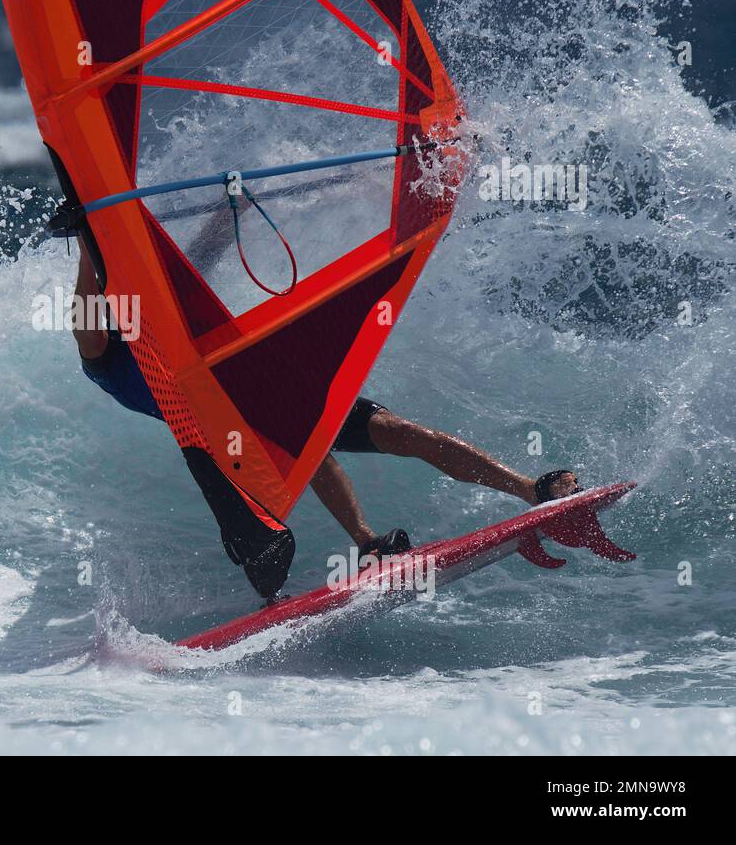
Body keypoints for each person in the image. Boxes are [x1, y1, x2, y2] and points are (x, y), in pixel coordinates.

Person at [71, 249, 580, 600]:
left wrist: (233, 210)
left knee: (402, 433)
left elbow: (190, 265)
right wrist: (90, 246)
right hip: (225, 436)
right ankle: (357, 548)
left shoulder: (157, 315)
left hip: (269, 388)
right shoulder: (104, 353)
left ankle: (530, 489)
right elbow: (89, 315)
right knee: (303, 463)